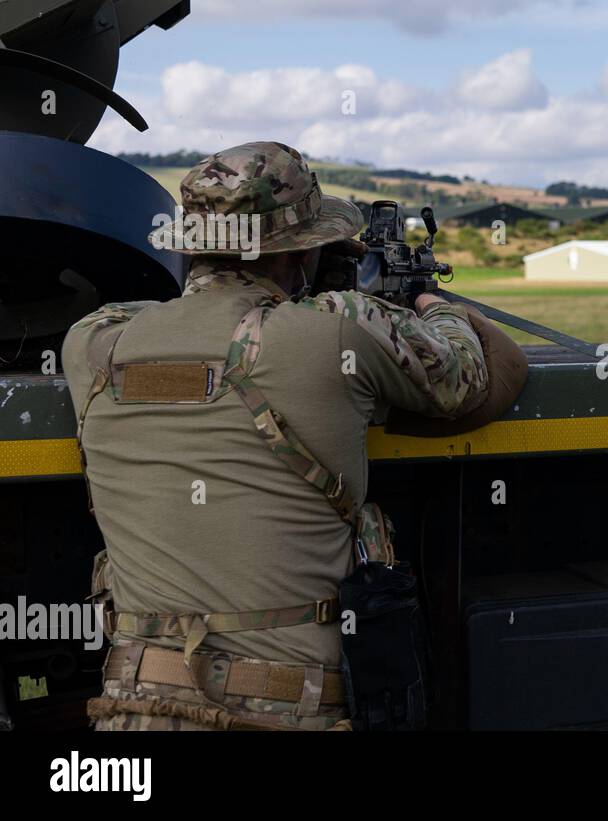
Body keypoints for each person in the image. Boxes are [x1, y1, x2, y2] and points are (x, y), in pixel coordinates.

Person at [63, 141, 501, 729]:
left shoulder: (93, 342)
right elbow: (466, 376)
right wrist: (425, 302)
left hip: (134, 708)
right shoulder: (336, 331)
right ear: (299, 254)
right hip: (289, 709)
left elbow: (176, 325)